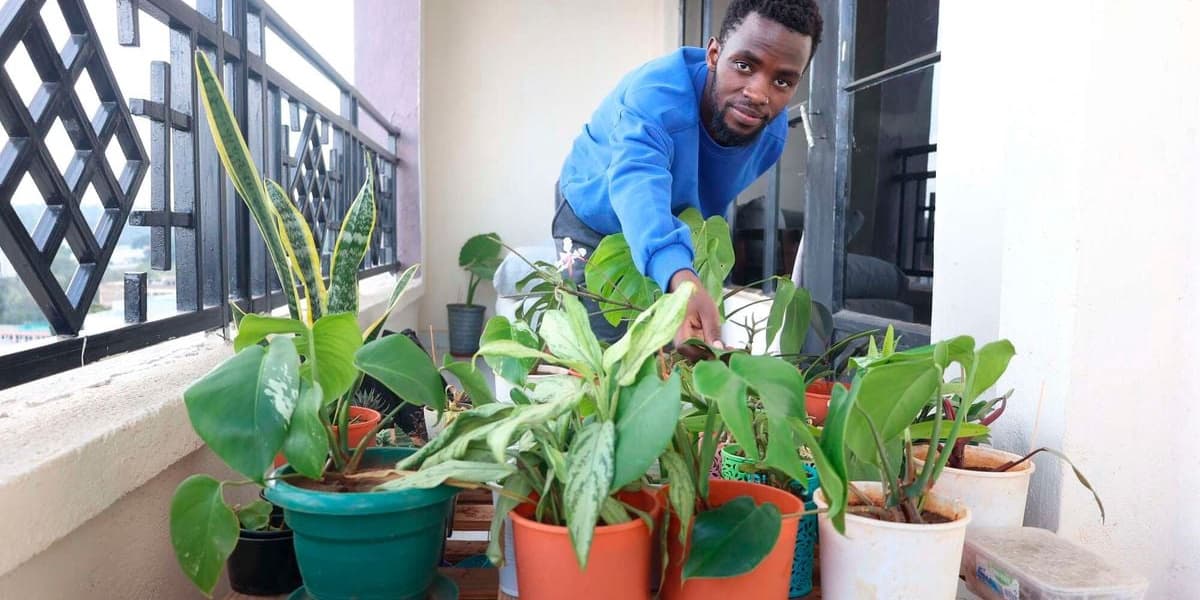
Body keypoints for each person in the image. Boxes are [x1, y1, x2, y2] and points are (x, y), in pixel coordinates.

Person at [553, 0, 822, 352]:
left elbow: (706, 199)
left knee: (673, 351)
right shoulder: (656, 94)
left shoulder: (771, 137)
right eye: (744, 65)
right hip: (595, 215)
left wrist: (687, 277)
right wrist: (678, 275)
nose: (758, 93)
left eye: (782, 80)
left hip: (670, 225)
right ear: (713, 53)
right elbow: (637, 176)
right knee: (605, 359)